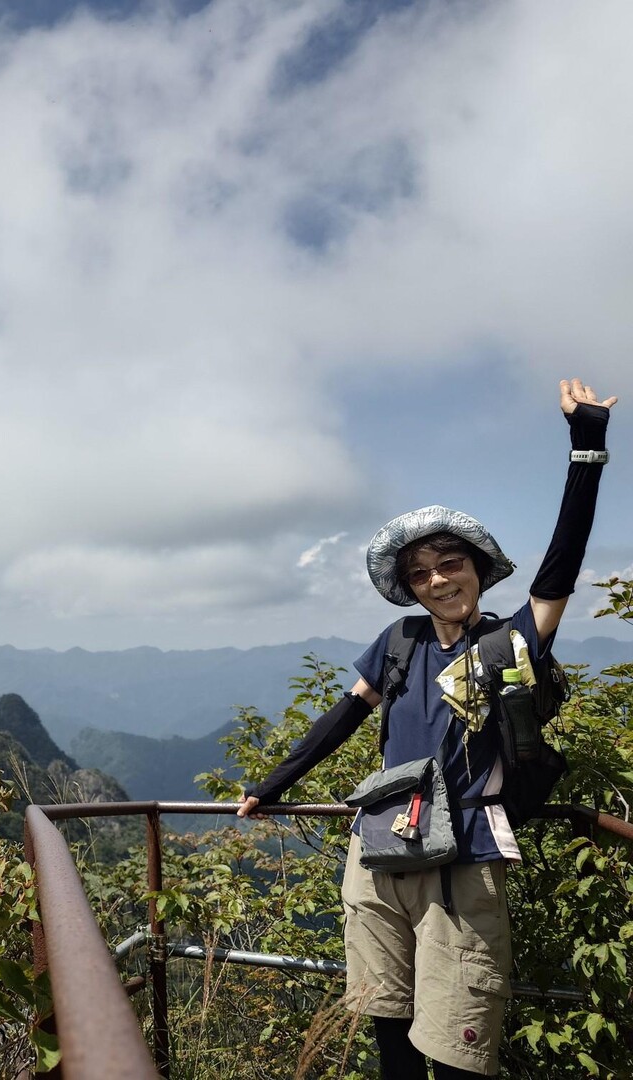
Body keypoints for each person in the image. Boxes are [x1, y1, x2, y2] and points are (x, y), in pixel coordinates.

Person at [237, 378, 617, 1078]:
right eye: (422, 574)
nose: (439, 580)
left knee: (462, 1046)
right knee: (389, 1034)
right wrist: (272, 784)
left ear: (477, 571)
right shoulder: (399, 642)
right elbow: (345, 716)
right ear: (409, 589)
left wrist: (586, 444)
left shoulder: (511, 645)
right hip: (379, 852)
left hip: (466, 859)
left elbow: (560, 568)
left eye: (451, 564)